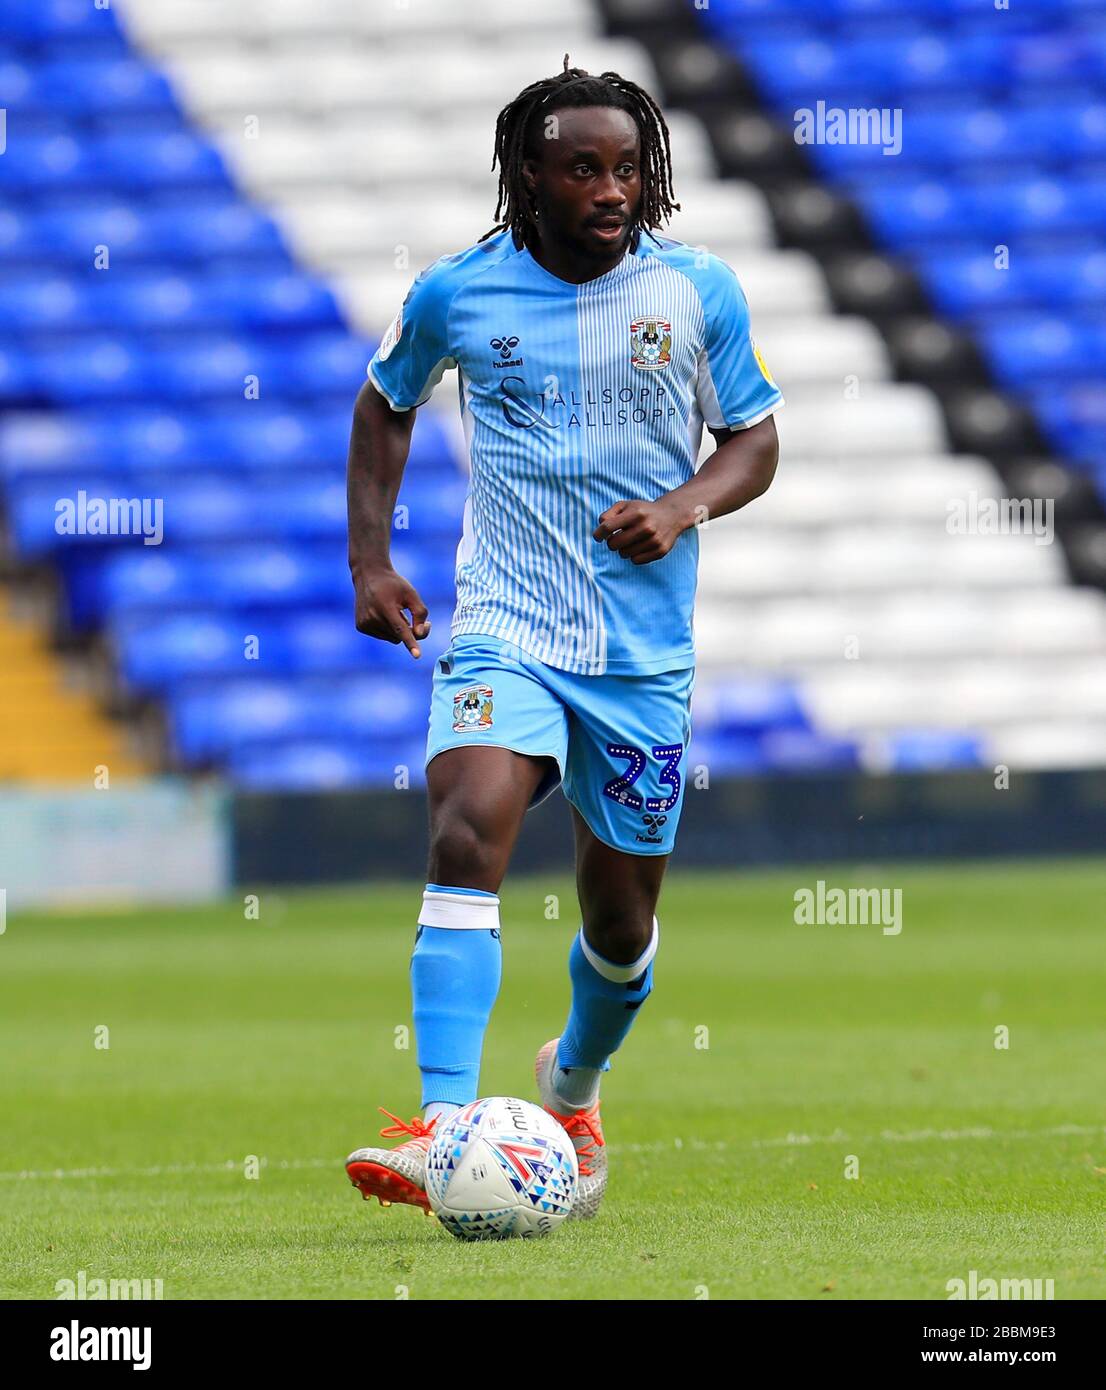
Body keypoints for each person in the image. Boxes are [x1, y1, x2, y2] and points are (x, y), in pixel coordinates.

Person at [344, 57, 783, 1220]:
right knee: (466, 824)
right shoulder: (458, 294)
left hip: (641, 661)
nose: (611, 190)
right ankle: (440, 1127)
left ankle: (571, 1088)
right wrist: (372, 561)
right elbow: (386, 399)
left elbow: (752, 440)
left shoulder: (697, 293)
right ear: (526, 178)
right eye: (582, 169)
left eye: (627, 168)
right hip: (505, 624)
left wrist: (685, 504)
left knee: (620, 924)